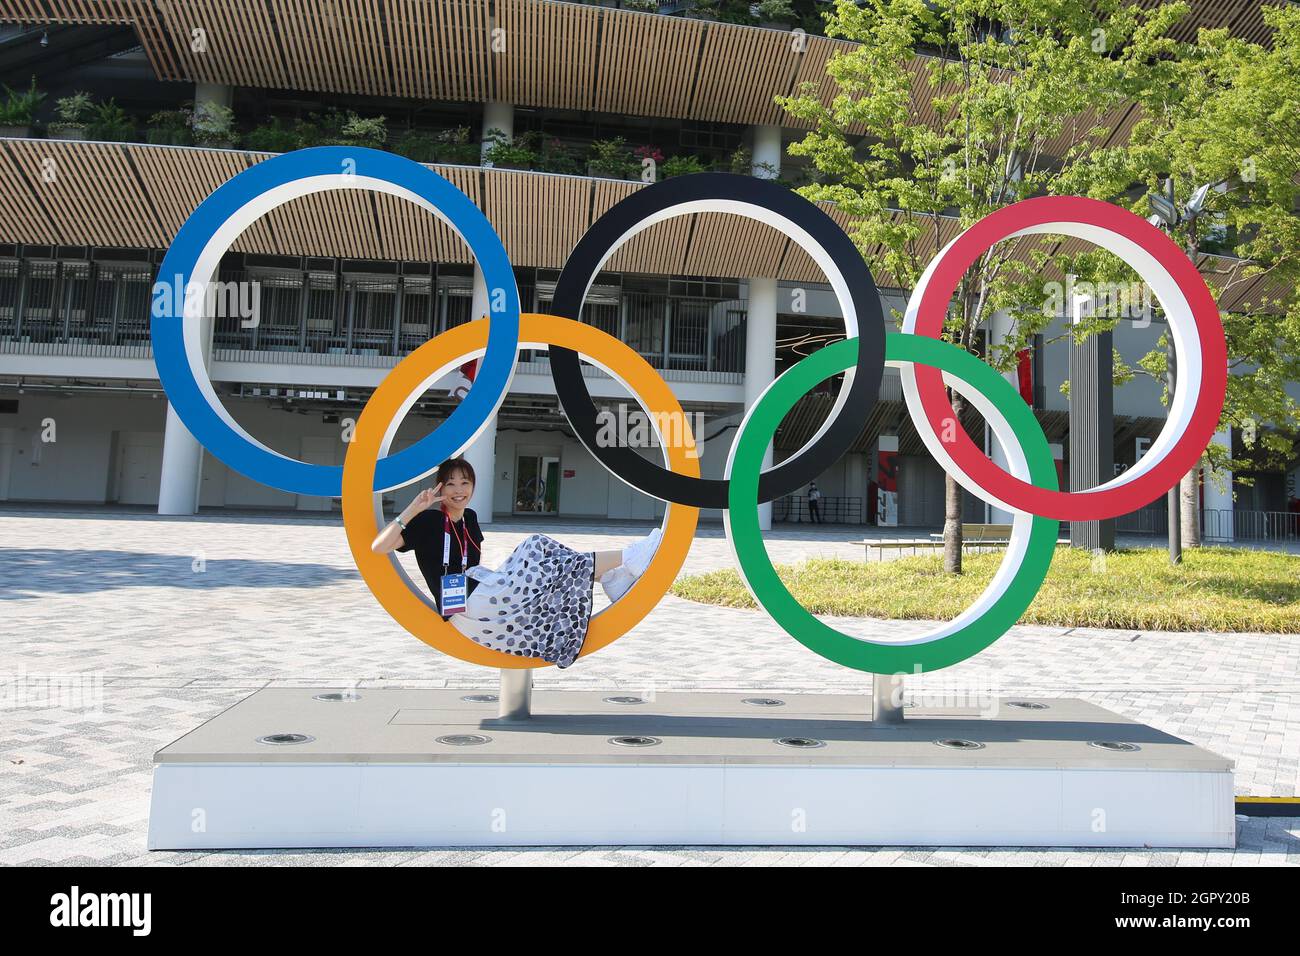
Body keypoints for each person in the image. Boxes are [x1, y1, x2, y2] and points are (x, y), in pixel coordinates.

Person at [370, 458, 661, 668]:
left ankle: (610, 578)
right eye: (451, 484)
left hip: (484, 588)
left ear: (473, 486)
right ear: (439, 488)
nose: (459, 489)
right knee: (544, 570)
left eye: (465, 482)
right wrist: (412, 509)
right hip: (461, 603)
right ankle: (626, 558)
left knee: (537, 544)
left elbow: (475, 563)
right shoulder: (429, 521)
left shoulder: (469, 518)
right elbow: (379, 547)